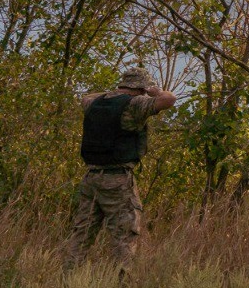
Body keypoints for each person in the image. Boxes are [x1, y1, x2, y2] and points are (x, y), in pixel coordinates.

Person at [64, 66, 176, 273]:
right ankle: (123, 281)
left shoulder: (94, 103)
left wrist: (113, 93)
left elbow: (85, 97)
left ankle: (68, 279)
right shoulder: (134, 104)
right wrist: (155, 92)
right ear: (141, 88)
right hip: (117, 180)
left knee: (81, 235)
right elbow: (169, 100)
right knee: (124, 238)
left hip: (91, 179)